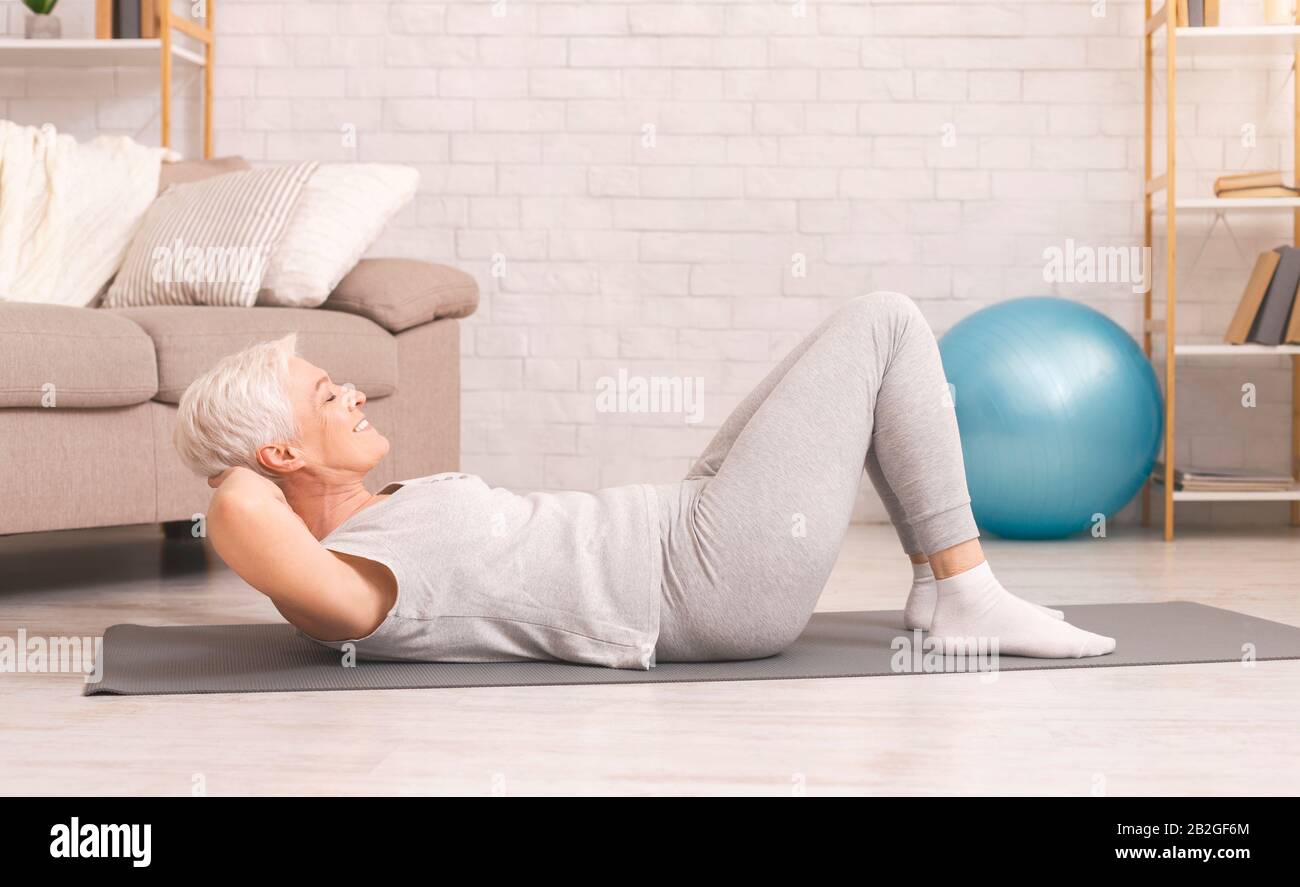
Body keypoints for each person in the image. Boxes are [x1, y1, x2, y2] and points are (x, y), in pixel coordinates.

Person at [178, 292, 1115, 671]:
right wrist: (237, 473)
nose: (350, 394)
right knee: (887, 323)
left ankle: (936, 586)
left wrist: (263, 468)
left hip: (686, 522)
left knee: (857, 351)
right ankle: (963, 590)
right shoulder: (355, 578)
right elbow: (238, 512)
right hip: (703, 585)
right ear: (280, 457)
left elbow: (254, 504)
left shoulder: (378, 518)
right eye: (322, 394)